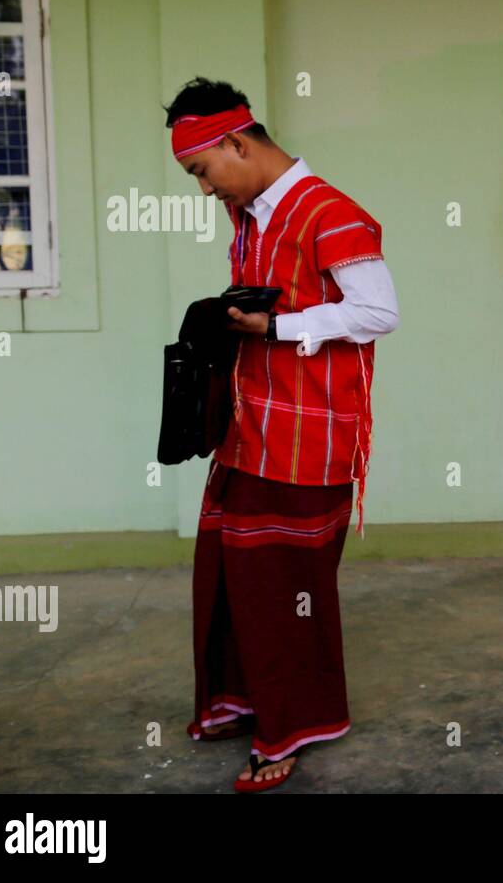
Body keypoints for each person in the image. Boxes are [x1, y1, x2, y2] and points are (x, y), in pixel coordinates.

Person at [165, 77, 399, 791]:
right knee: (231, 580)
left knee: (282, 592)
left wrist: (280, 327)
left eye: (202, 170)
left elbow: (378, 310)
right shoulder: (250, 214)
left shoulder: (330, 211)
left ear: (237, 142)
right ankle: (241, 702)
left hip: (308, 440)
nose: (205, 189)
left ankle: (292, 727)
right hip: (249, 428)